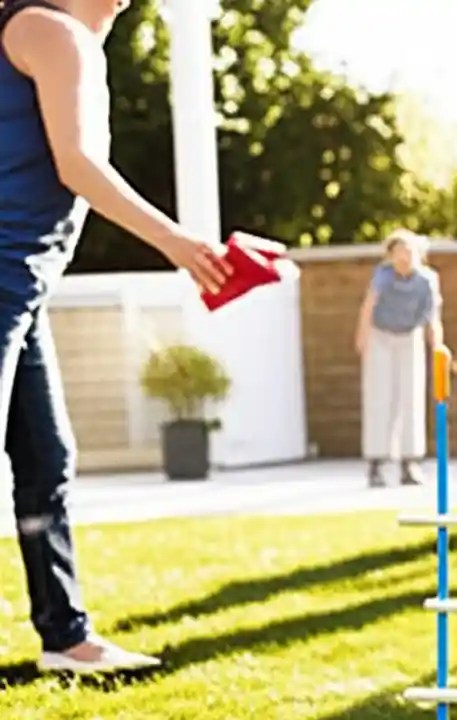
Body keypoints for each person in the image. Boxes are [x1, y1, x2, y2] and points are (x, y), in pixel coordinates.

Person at [1, 0, 231, 672]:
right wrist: (180, 243)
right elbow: (77, 164)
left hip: (24, 291)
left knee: (45, 461)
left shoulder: (54, 37)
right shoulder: (52, 32)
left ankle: (66, 637)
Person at [354, 229, 442, 488]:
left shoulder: (427, 280)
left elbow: (432, 318)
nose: (403, 258)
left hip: (410, 336)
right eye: (398, 253)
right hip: (381, 335)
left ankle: (410, 462)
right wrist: (363, 338)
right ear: (390, 256)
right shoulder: (383, 276)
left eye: (408, 252)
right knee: (379, 397)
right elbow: (369, 306)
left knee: (411, 397)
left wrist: (438, 349)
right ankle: (376, 462)